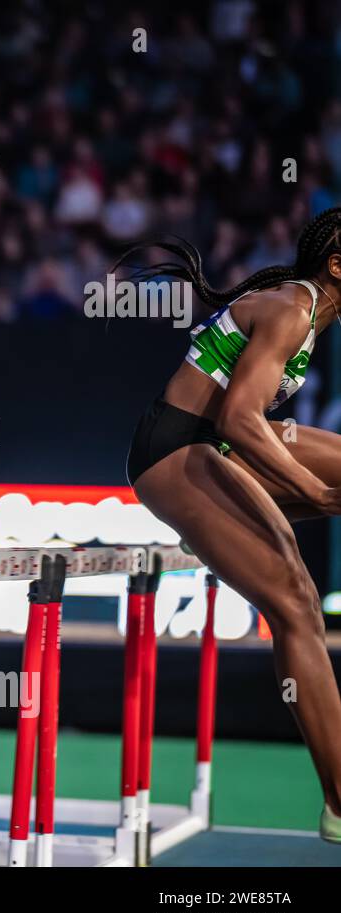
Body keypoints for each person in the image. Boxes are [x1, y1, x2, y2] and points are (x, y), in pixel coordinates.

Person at [119, 208, 341, 844]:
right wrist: (315, 491)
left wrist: (322, 491)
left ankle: (209, 524)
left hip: (215, 448)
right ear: (336, 266)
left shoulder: (307, 317)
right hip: (174, 452)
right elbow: (241, 421)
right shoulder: (292, 313)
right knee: (297, 603)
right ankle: (339, 799)